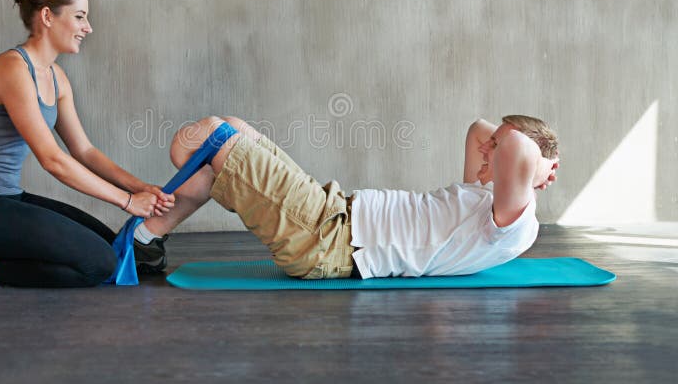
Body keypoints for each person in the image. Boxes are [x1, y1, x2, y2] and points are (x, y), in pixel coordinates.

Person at [0, 0, 174, 287]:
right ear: (47, 16)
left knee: (111, 250)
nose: (88, 28)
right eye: (80, 17)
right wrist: (126, 201)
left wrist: (141, 188)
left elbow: (84, 151)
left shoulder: (56, 77)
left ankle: (0, 257)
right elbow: (52, 159)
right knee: (100, 265)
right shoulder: (13, 69)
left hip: (7, 198)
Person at [142, 114, 559, 279]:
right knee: (229, 131)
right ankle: (149, 240)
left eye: (497, 149)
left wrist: (541, 163)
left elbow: (520, 147)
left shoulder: (513, 223)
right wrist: (504, 147)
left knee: (203, 138)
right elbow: (477, 128)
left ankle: (146, 235)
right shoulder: (479, 196)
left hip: (331, 239)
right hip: (333, 211)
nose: (487, 149)